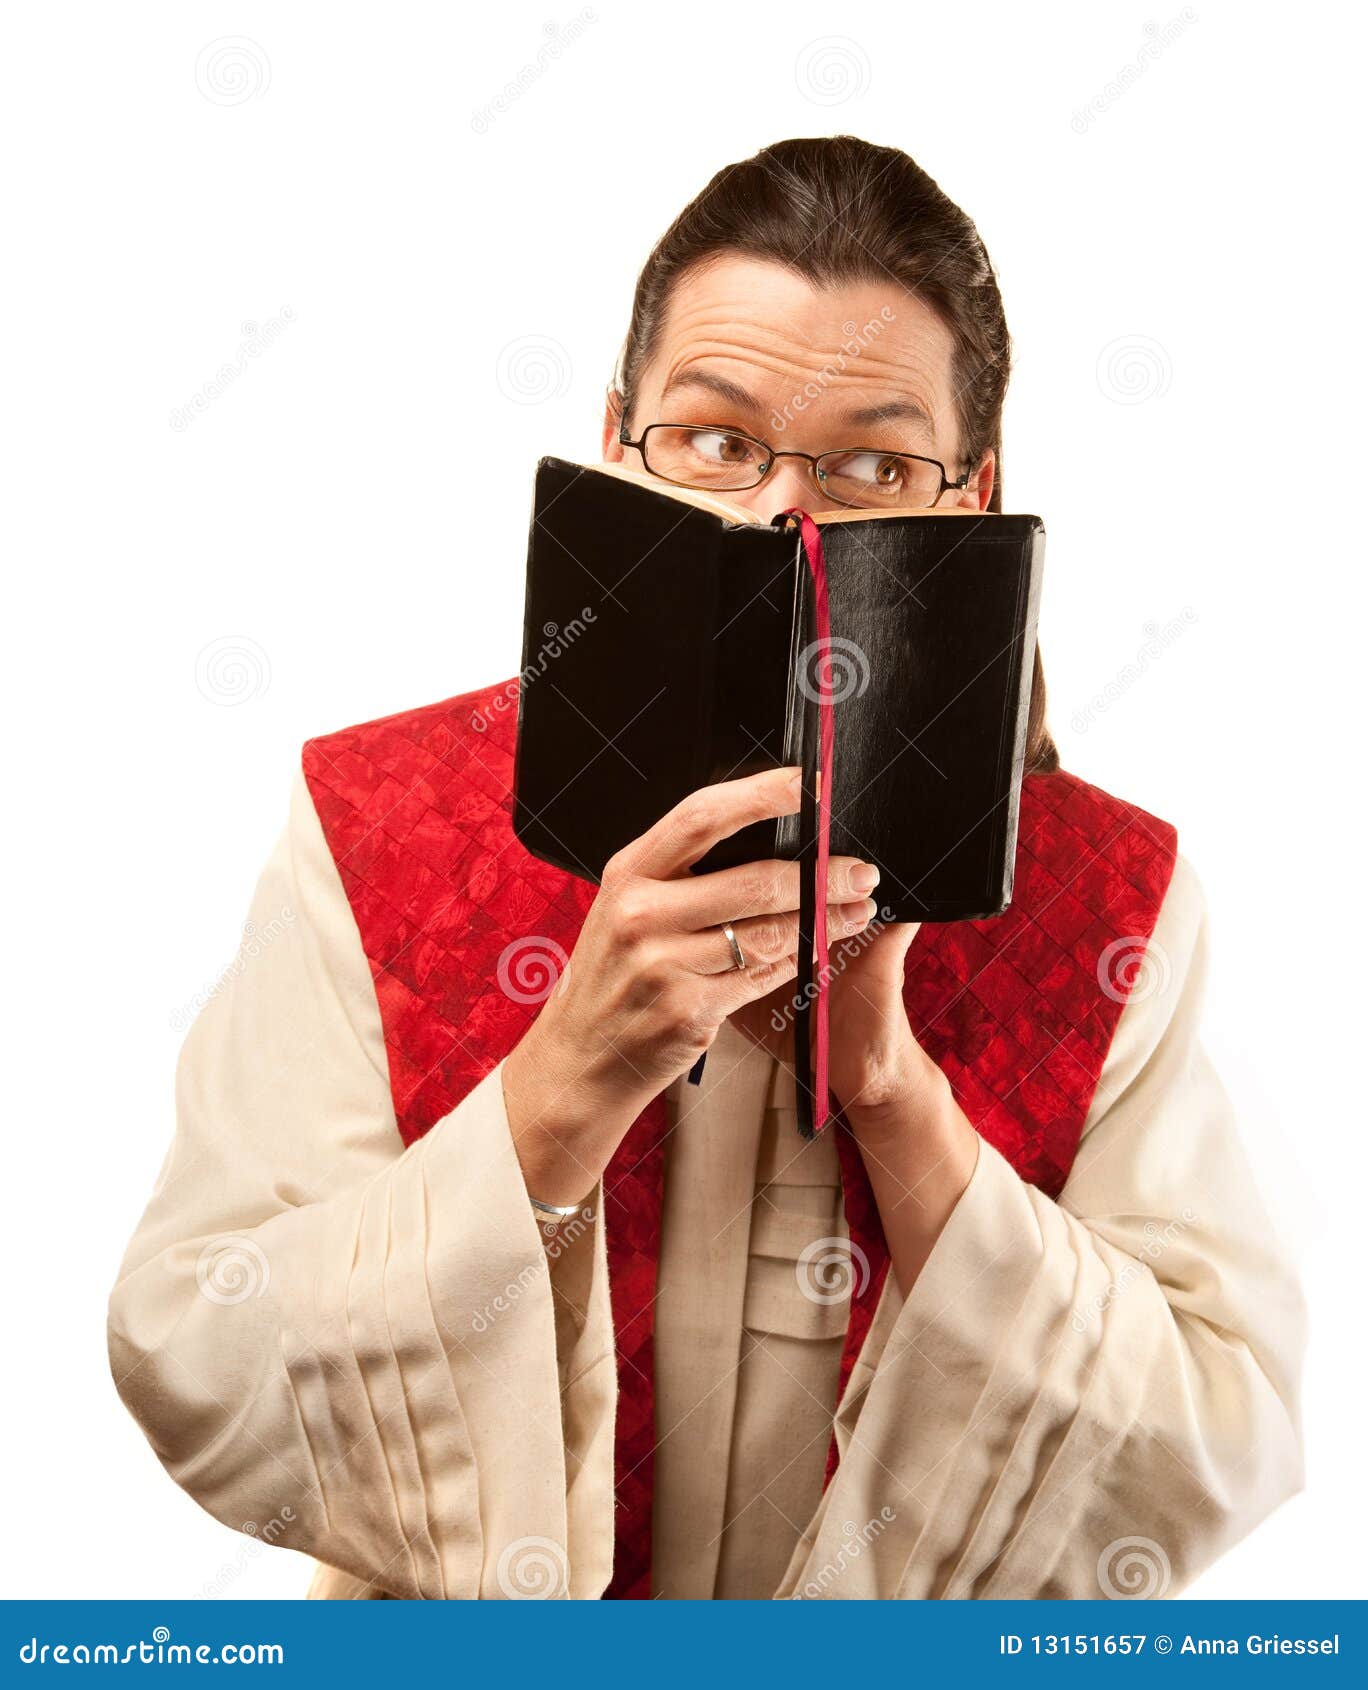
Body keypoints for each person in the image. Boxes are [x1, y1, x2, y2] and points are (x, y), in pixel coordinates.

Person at [109, 135, 1304, 1601]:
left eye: (874, 462)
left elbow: (1214, 1449)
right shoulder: (375, 822)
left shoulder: (1109, 894)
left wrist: (895, 1100)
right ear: (619, 439)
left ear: (970, 494)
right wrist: (564, 1085)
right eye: (718, 440)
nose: (778, 518)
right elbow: (193, 1359)